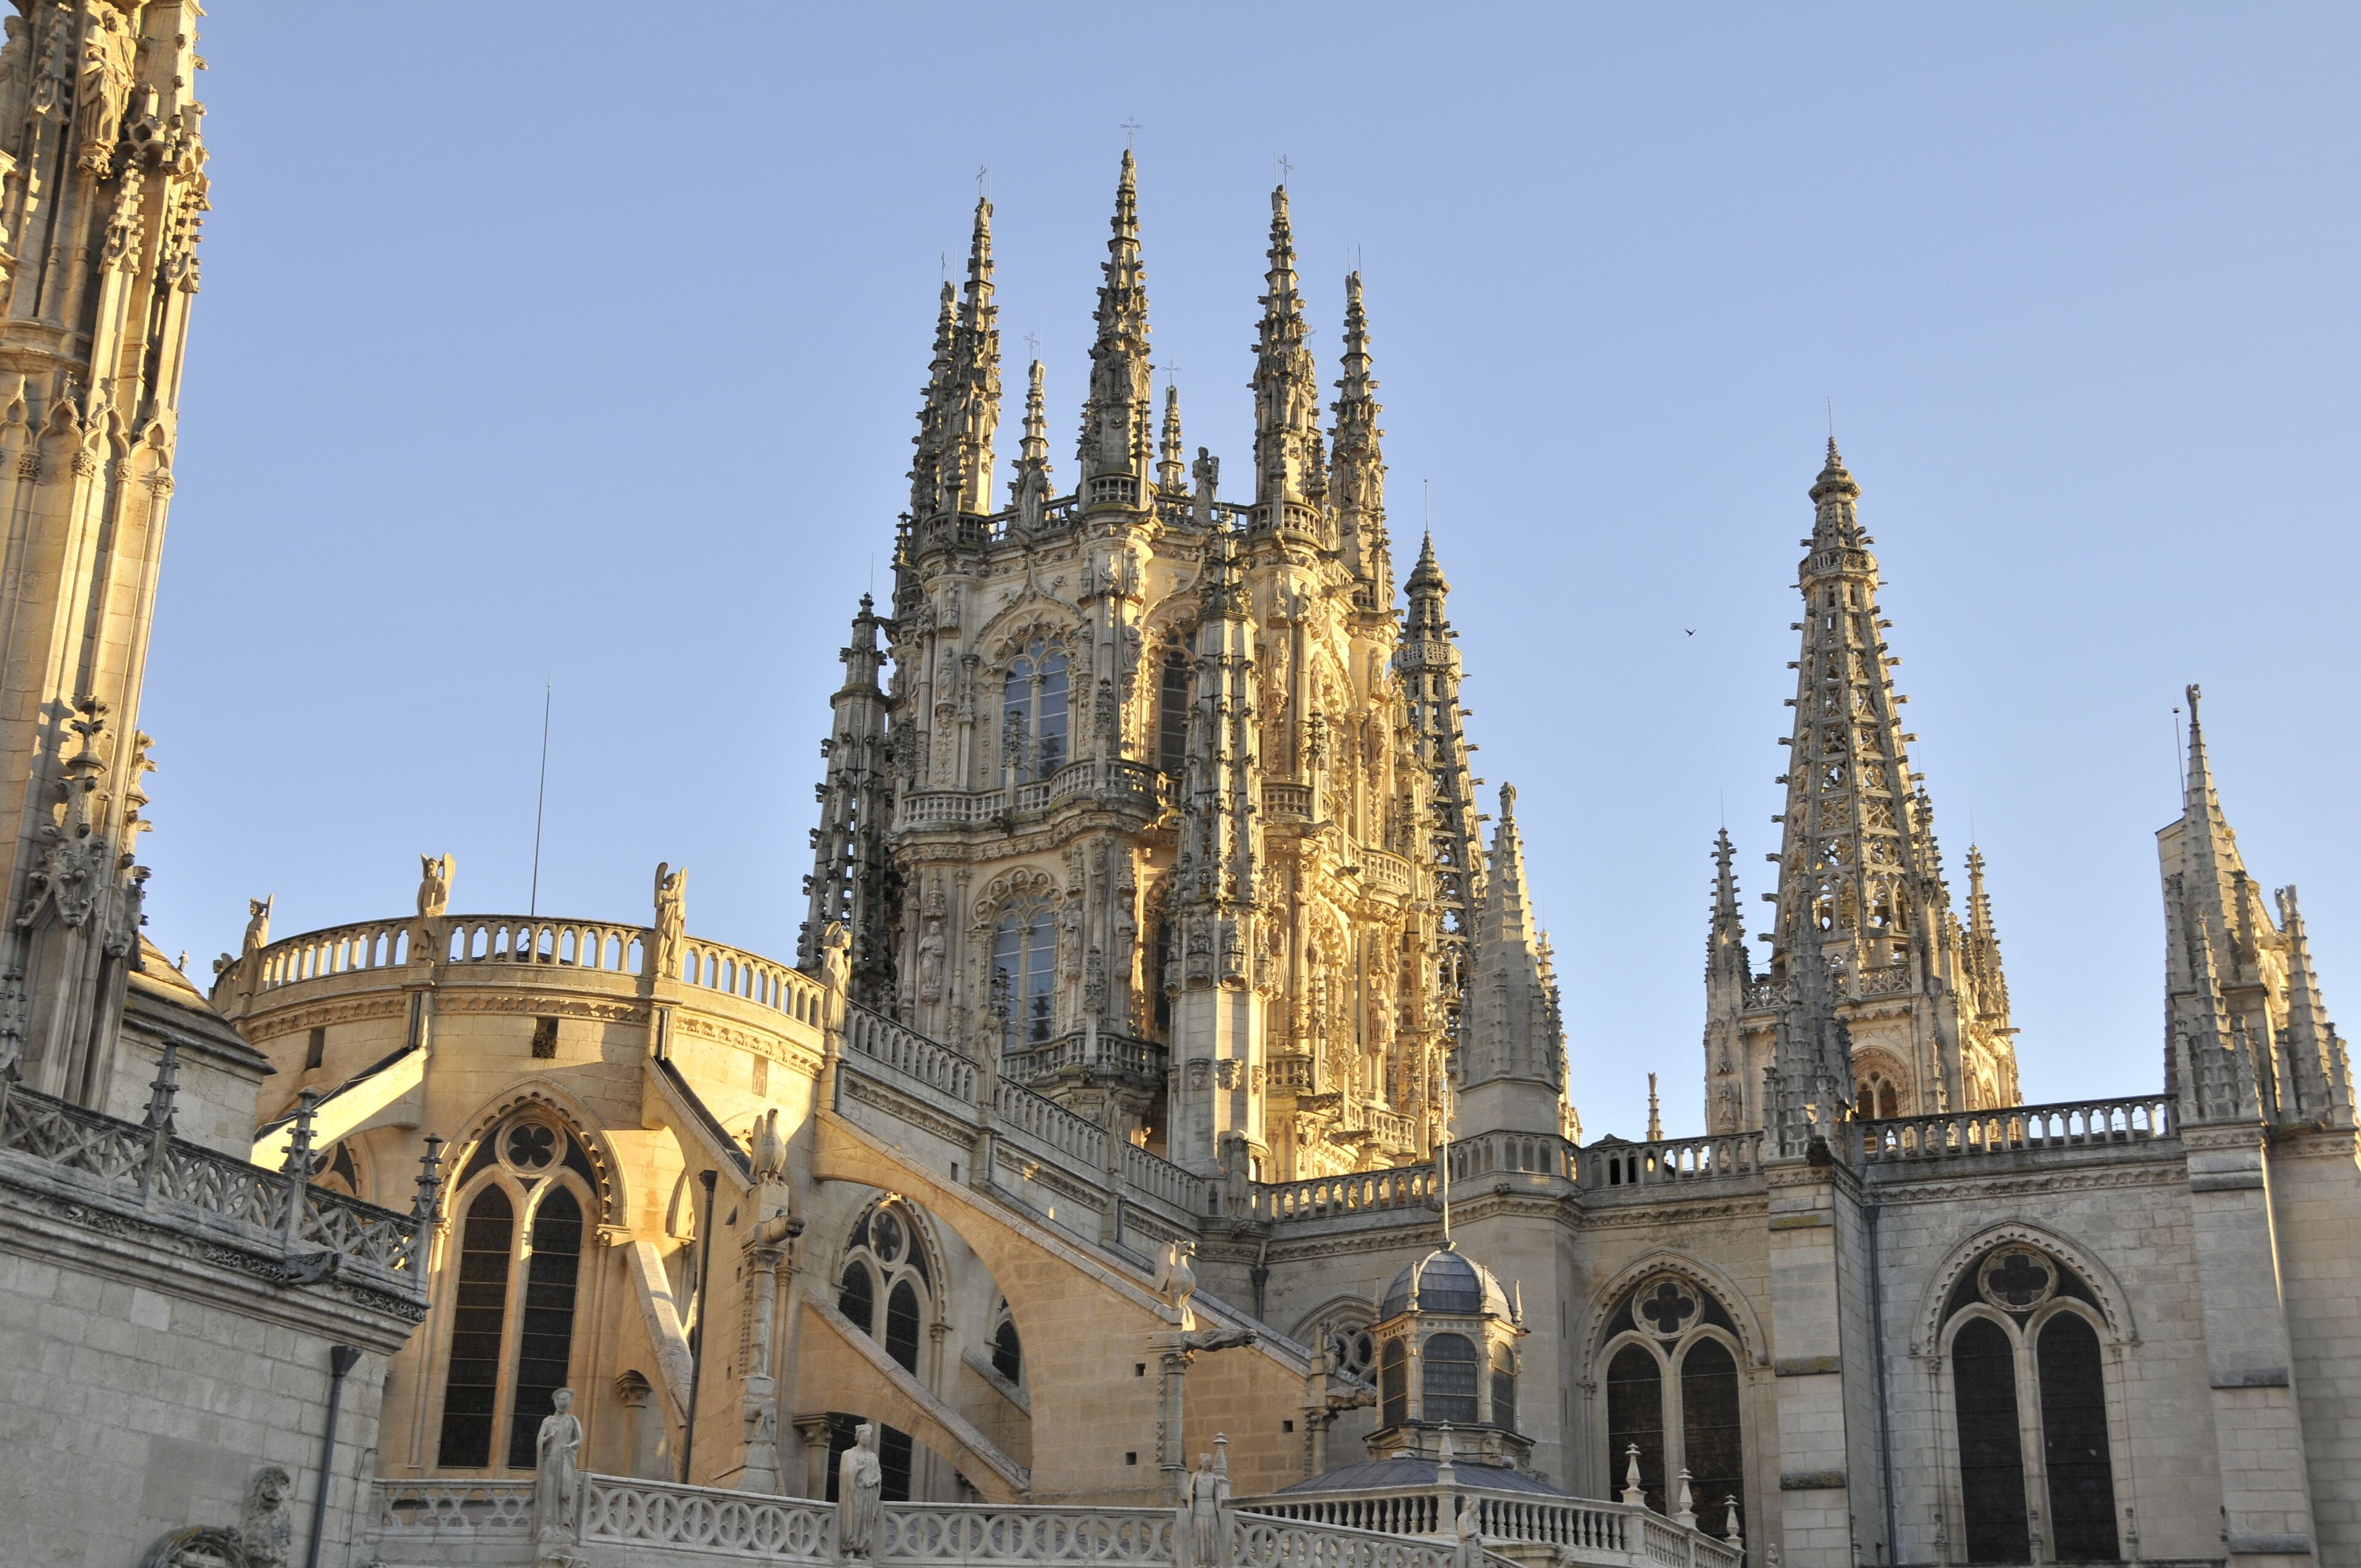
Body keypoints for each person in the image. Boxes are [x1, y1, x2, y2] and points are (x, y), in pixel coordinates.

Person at [534, 1388, 583, 1543]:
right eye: (562, 1399)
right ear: (556, 1401)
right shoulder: (548, 1421)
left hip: (566, 1461)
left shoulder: (573, 1420)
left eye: (567, 1400)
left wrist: (571, 1445)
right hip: (551, 1461)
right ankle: (548, 1527)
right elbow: (539, 1442)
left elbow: (579, 1439)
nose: (565, 1402)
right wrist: (550, 1436)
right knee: (549, 1493)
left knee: (565, 1494)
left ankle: (564, 1527)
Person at [837, 1421, 883, 1561]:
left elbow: (878, 1473)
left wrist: (874, 1480)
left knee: (865, 1521)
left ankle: (862, 1549)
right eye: (865, 1435)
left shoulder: (873, 1457)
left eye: (869, 1436)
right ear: (858, 1436)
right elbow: (845, 1473)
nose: (867, 1438)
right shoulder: (848, 1454)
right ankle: (850, 1548)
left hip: (869, 1494)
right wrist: (856, 1470)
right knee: (854, 1518)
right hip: (854, 1493)